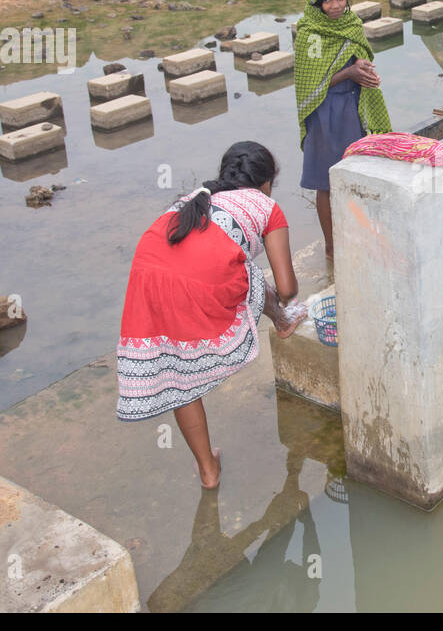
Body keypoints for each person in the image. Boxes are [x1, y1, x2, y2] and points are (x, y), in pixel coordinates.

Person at [116, 141, 304, 490]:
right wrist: (284, 297)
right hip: (189, 282)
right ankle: (284, 321)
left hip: (147, 276)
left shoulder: (195, 198)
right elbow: (287, 286)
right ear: (266, 183)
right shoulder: (266, 206)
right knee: (248, 272)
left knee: (177, 375)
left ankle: (208, 470)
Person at [294, 0, 391, 259]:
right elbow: (309, 83)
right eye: (327, 0)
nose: (335, 6)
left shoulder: (352, 23)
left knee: (358, 172)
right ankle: (332, 246)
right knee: (327, 182)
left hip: (354, 107)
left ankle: (358, 233)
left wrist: (364, 71)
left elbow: (361, 54)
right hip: (324, 112)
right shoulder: (310, 34)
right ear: (315, 3)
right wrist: (349, 72)